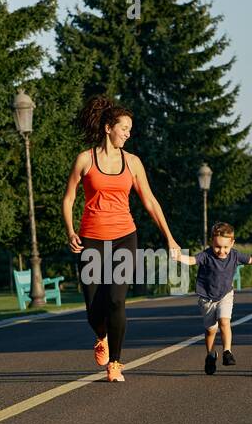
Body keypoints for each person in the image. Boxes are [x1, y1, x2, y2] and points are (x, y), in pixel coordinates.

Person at [61, 95, 180, 382]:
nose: (128, 133)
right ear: (107, 128)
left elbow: (150, 201)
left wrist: (170, 238)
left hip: (124, 236)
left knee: (116, 300)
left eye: (129, 129)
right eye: (124, 128)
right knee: (93, 308)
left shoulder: (133, 162)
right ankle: (101, 335)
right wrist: (70, 231)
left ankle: (115, 362)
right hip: (90, 239)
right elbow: (68, 199)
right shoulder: (84, 160)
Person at [173, 222, 252, 375]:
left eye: (225, 247)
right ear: (211, 243)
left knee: (224, 321)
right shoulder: (206, 255)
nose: (221, 251)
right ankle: (210, 355)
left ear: (232, 243)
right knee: (210, 331)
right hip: (206, 298)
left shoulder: (234, 255)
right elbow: (192, 261)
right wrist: (179, 257)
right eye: (217, 247)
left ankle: (227, 352)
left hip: (225, 295)